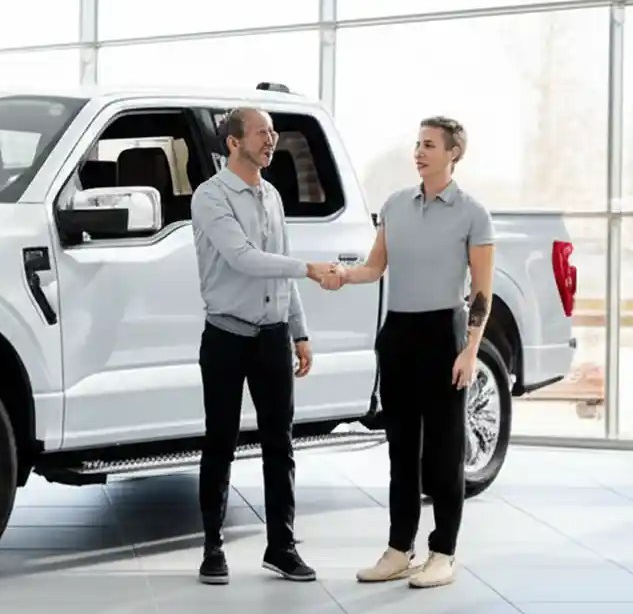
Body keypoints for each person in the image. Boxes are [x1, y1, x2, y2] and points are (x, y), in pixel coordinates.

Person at [321, 115, 494, 589]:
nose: (419, 152)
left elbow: (482, 293)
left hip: (445, 335)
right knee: (402, 452)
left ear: (453, 153)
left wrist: (469, 351)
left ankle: (444, 552)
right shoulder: (395, 205)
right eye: (418, 144)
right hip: (398, 335)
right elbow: (375, 267)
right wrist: (341, 274)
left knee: (443, 454)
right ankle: (400, 549)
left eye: (430, 145)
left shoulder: (472, 214)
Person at [190, 107, 336, 585]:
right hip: (228, 336)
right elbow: (244, 259)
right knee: (221, 443)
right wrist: (309, 269)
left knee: (281, 444)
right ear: (234, 143)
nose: (271, 140)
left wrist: (300, 330)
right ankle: (213, 548)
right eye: (261, 133)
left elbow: (278, 262)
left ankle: (282, 547)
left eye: (273, 133)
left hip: (272, 335)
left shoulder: (271, 195)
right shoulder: (210, 197)